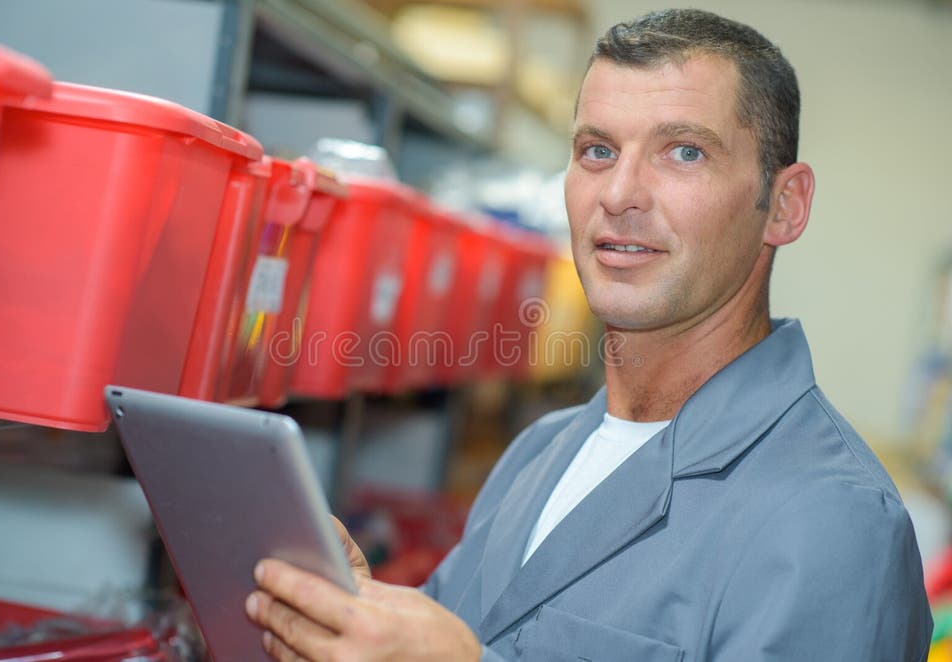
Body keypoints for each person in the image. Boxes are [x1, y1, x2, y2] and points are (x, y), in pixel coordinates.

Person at [244, 8, 934, 661]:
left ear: (783, 206)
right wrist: (360, 618)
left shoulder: (834, 523)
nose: (620, 193)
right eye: (597, 150)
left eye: (684, 152)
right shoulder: (541, 452)